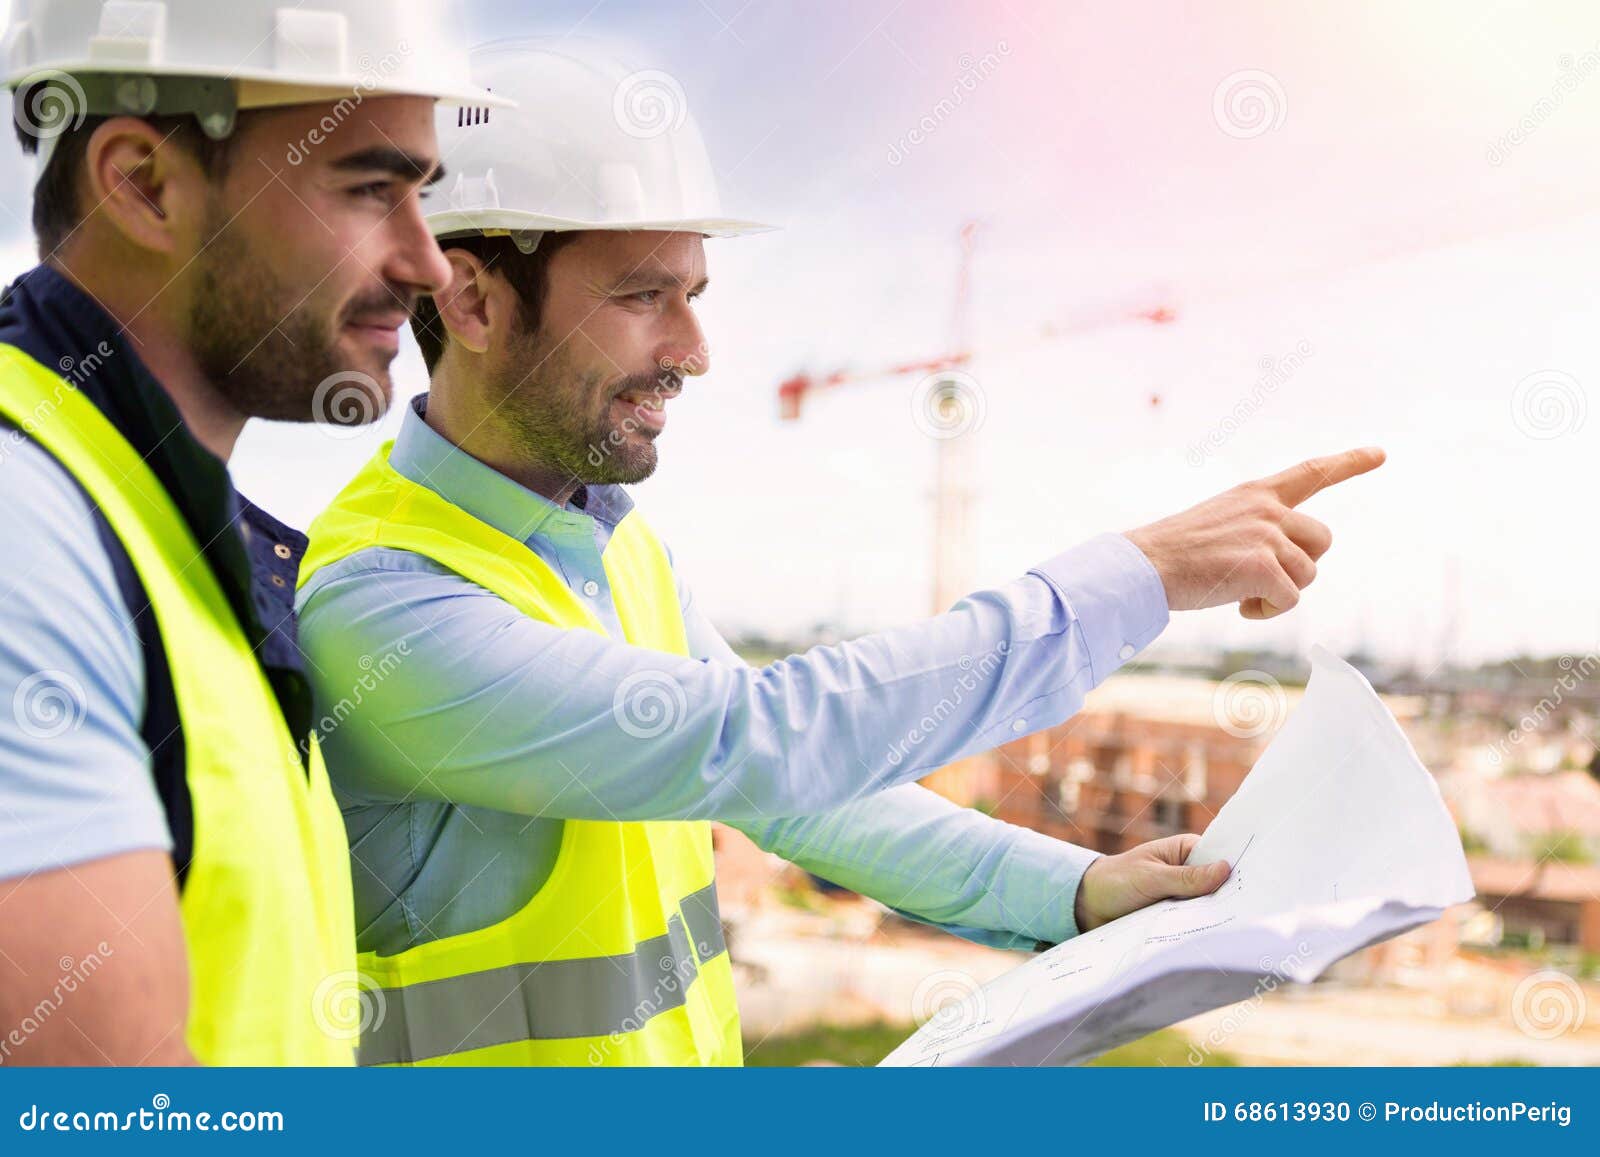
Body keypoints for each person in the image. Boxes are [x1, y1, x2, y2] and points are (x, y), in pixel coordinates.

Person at [296, 40, 1386, 1066]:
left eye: (694, 295)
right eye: (641, 295)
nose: (694, 351)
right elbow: (761, 740)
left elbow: (799, 795)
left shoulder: (608, 549)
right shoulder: (387, 603)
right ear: (475, 300)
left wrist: (1078, 886)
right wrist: (1138, 575)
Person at [0, 0, 499, 1065]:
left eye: (424, 198)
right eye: (370, 188)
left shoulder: (178, 527)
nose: (430, 264)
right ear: (143, 182)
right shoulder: (25, 523)